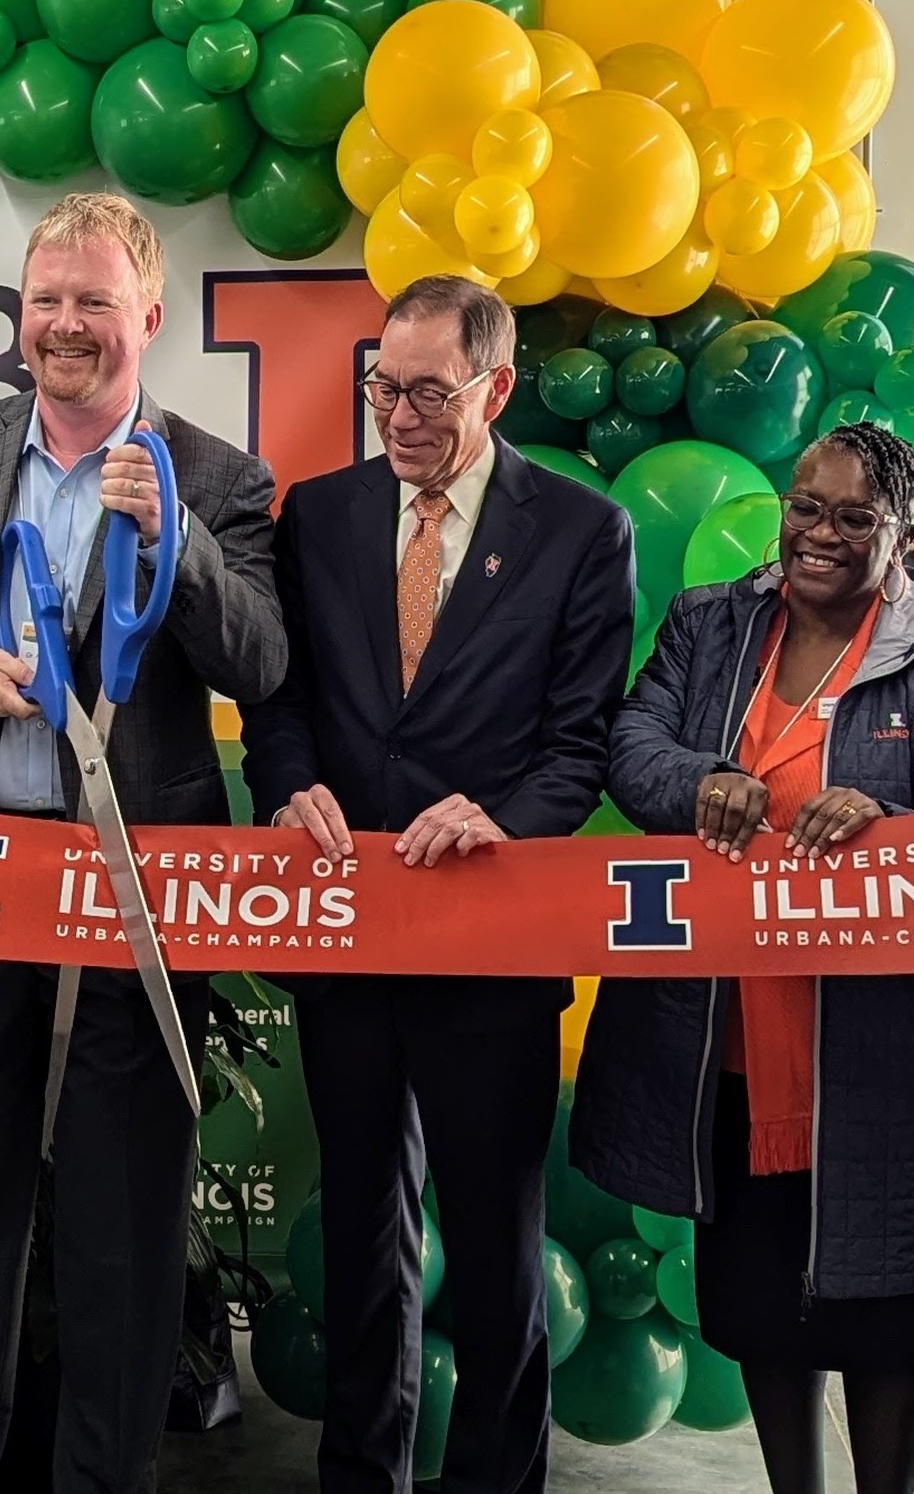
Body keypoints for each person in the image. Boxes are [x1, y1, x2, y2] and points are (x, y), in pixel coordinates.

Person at [0, 192, 286, 1494]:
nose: (64, 324)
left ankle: (107, 1477)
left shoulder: (219, 474)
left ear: (147, 314)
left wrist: (173, 538)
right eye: (46, 299)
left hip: (133, 893)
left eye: (93, 301)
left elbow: (261, 662)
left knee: (124, 1217)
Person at [240, 274, 631, 1494]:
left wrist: (501, 820)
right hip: (348, 937)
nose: (399, 417)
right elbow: (279, 702)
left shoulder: (580, 530)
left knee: (500, 1246)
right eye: (382, 388)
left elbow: (579, 744)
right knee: (363, 1238)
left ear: (494, 388)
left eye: (428, 393)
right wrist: (289, 786)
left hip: (491, 946)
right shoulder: (318, 515)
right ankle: (364, 1474)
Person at [569, 422, 914, 1494]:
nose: (820, 534)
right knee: (762, 1309)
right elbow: (632, 745)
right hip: (726, 1042)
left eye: (855, 517)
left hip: (878, 1053)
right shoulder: (710, 623)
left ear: (905, 535)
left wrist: (884, 824)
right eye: (805, 507)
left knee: (886, 1315)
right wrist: (702, 778)